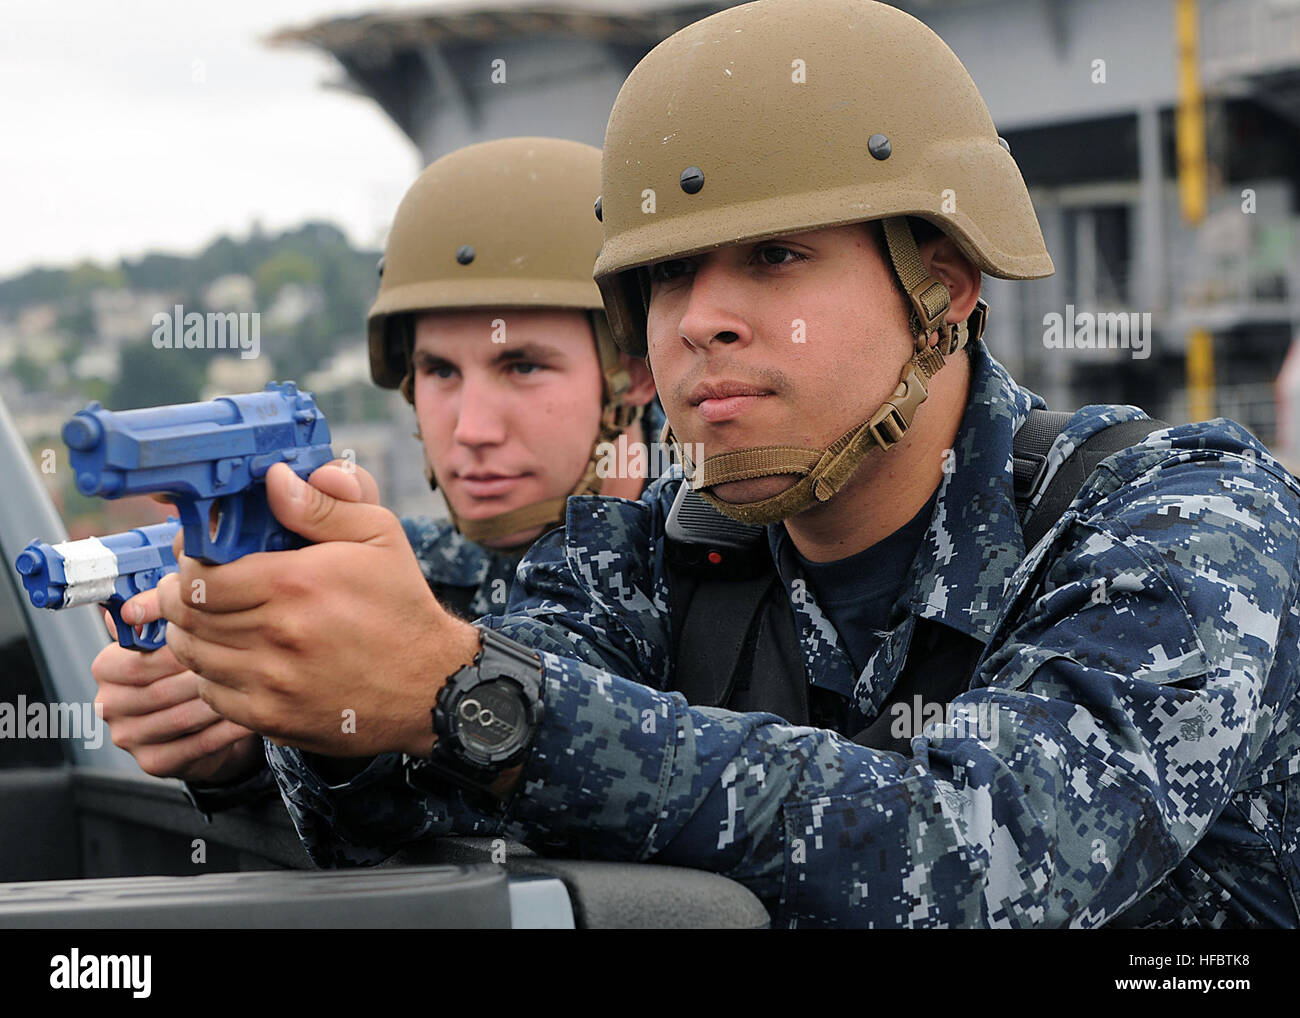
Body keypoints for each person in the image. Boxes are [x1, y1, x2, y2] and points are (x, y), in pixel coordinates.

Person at [151, 0, 1299, 927]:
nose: (700, 320)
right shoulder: (641, 552)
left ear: (942, 285)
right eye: (663, 275)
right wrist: (327, 697)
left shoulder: (1176, 517)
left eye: (775, 255)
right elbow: (414, 849)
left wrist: (471, 694)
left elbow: (994, 861)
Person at [91, 138, 658, 815]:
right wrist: (235, 743)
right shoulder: (404, 569)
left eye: (523, 366)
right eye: (440, 370)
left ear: (636, 374)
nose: (473, 427)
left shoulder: (714, 565)